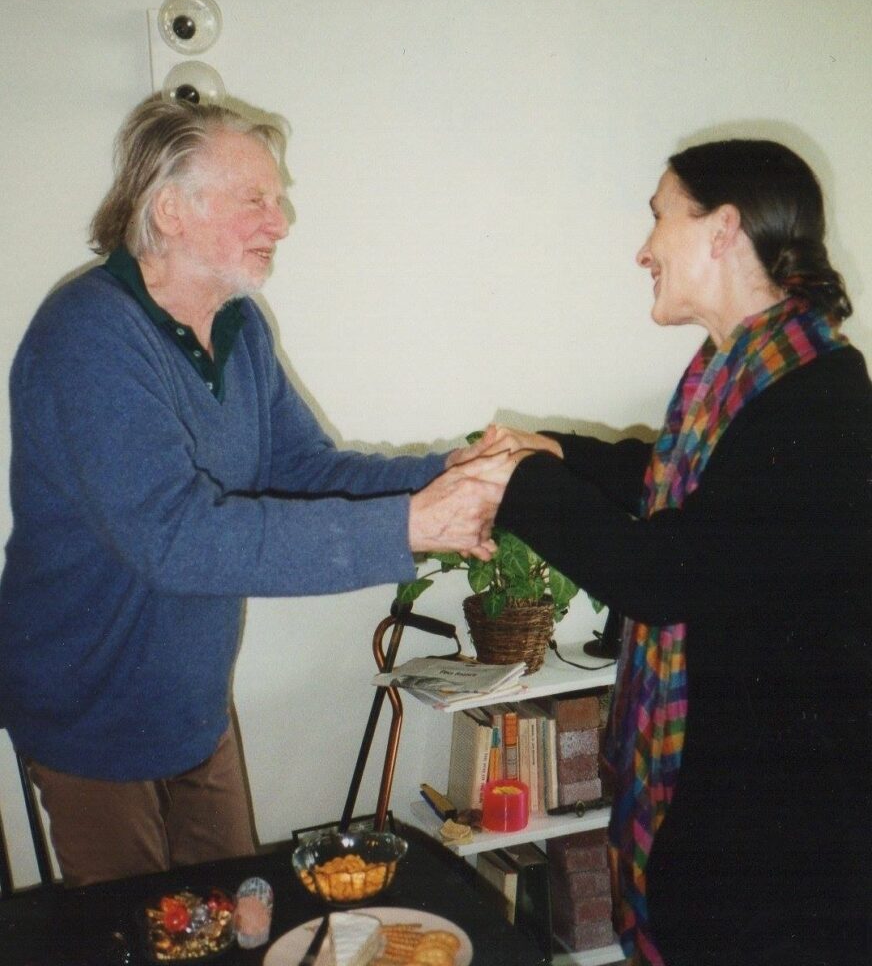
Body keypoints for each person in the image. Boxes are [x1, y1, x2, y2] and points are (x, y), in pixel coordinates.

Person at [0, 95, 505, 887]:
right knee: (145, 937)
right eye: (256, 200)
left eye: (276, 200)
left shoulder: (240, 325)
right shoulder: (87, 336)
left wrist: (452, 473)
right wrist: (410, 525)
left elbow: (303, 470)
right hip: (87, 713)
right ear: (169, 210)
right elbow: (177, 538)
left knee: (242, 917)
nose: (281, 221)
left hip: (191, 703)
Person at [476, 140, 871, 965]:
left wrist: (520, 481)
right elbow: (668, 478)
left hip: (784, 839)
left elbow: (669, 572)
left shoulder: (821, 403)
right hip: (743, 811)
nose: (643, 248)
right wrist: (553, 450)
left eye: (659, 216)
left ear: (724, 229)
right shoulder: (745, 377)